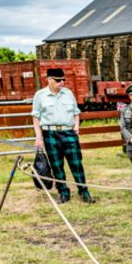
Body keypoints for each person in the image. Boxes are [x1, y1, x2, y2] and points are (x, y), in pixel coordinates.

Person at [32, 68, 95, 203]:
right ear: (49, 80)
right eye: (58, 80)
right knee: (56, 165)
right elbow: (36, 117)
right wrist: (38, 137)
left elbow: (76, 112)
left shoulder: (68, 93)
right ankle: (63, 192)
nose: (62, 82)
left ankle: (84, 192)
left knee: (76, 164)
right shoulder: (40, 95)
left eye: (63, 80)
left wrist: (76, 128)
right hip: (50, 133)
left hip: (68, 132)